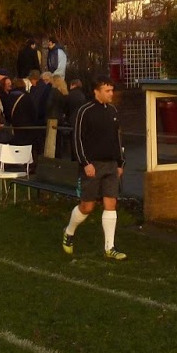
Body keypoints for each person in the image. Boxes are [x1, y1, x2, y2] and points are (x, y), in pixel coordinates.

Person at [64, 77, 127, 261]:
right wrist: (86, 163)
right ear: (96, 91)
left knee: (111, 203)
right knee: (87, 206)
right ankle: (69, 232)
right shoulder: (84, 111)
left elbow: (118, 139)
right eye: (107, 91)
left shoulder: (113, 111)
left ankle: (110, 247)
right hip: (92, 166)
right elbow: (77, 139)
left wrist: (120, 162)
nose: (111, 94)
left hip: (110, 166)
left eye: (112, 90)